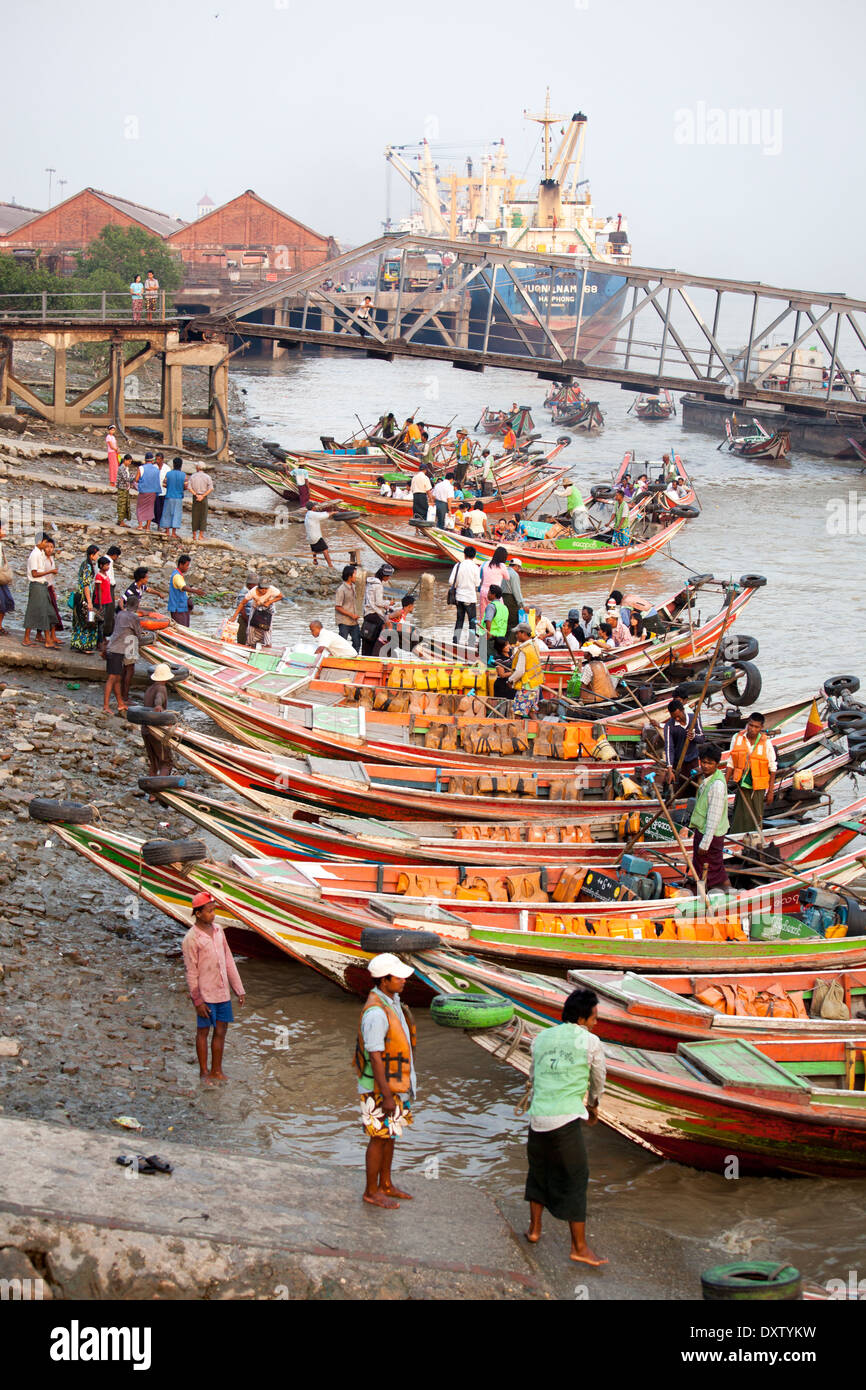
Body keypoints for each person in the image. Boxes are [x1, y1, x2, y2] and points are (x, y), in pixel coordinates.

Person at [524, 987, 607, 1267]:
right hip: (565, 1120)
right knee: (575, 1177)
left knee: (539, 1173)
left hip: (537, 1118)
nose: (596, 1022)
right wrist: (593, 1106)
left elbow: (534, 1076)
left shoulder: (541, 1037)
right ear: (584, 1018)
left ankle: (534, 1230)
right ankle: (579, 1247)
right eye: (595, 1016)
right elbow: (598, 1081)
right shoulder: (591, 1042)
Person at [354, 952, 417, 1208]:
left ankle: (386, 1184)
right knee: (378, 1137)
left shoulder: (391, 1000)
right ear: (384, 980)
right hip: (379, 1088)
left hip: (395, 1084)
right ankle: (371, 1191)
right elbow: (375, 1057)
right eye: (398, 977)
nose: (403, 981)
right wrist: (387, 1095)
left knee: (390, 1134)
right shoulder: (376, 1014)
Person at [182, 891, 245, 1085]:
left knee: (221, 1031)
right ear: (198, 914)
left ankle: (217, 1070)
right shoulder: (191, 939)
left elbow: (228, 961)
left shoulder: (219, 931)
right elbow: (191, 972)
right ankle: (203, 1072)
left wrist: (238, 989)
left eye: (214, 910)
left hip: (222, 992)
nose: (213, 914)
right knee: (203, 1031)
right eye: (209, 911)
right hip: (205, 994)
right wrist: (197, 1000)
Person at [688, 743, 732, 892]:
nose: (706, 766)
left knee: (713, 869)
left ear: (717, 765)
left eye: (710, 763)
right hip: (703, 831)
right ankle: (703, 890)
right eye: (704, 762)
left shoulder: (717, 785)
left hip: (711, 835)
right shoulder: (707, 779)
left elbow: (714, 817)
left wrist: (705, 843)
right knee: (708, 868)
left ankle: (724, 893)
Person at [728, 712, 776, 833]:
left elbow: (772, 768)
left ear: (761, 728)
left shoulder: (766, 742)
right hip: (741, 784)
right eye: (750, 725)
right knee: (739, 815)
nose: (752, 729)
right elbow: (731, 762)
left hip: (758, 787)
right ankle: (737, 835)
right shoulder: (737, 738)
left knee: (756, 815)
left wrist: (770, 792)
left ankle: (754, 839)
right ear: (747, 724)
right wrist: (724, 782)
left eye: (756, 727)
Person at [104, 593, 141, 715]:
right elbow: (138, 634)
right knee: (112, 678)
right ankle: (106, 706)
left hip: (113, 647)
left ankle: (120, 703)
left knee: (118, 678)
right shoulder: (134, 617)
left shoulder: (120, 614)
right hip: (117, 650)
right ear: (137, 606)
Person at [499, 622, 544, 716]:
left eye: (517, 633)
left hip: (526, 687)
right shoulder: (534, 645)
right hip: (535, 685)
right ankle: (539, 728)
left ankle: (518, 730)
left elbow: (520, 671)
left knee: (517, 713)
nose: (516, 635)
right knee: (531, 713)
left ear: (523, 633)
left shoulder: (524, 650)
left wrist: (510, 680)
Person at [22, 535, 58, 648]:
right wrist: (50, 571)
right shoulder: (35, 554)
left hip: (42, 585)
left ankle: (47, 638)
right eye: (45, 542)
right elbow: (34, 573)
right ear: (39, 542)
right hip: (37, 585)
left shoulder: (40, 553)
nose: (46, 545)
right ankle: (27, 639)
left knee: (48, 611)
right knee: (35, 612)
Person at [663, 698, 704, 794]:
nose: (677, 719)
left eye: (678, 716)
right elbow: (669, 748)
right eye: (674, 717)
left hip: (693, 762)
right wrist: (669, 769)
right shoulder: (669, 726)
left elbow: (702, 738)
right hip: (678, 765)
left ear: (683, 711)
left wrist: (694, 737)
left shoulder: (694, 719)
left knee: (695, 790)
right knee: (679, 791)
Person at [229, 577, 282, 648]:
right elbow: (242, 604)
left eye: (266, 589)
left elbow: (280, 596)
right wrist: (234, 617)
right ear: (258, 587)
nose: (264, 590)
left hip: (268, 609)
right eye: (262, 589)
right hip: (256, 608)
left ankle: (267, 645)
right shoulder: (252, 592)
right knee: (251, 627)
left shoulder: (272, 589)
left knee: (266, 629)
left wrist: (269, 602)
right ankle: (250, 644)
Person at [69, 543, 101, 653]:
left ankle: (77, 643)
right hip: (84, 597)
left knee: (79, 620)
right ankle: (84, 645)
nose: (97, 556)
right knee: (87, 621)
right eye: (97, 554)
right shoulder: (87, 566)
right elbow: (86, 585)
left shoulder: (85, 564)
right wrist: (89, 602)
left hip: (80, 595)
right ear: (92, 555)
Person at [449, 544, 481, 645]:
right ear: (474, 556)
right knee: (472, 622)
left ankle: (455, 641)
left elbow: (451, 581)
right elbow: (477, 583)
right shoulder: (475, 567)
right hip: (470, 598)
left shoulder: (458, 565)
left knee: (459, 620)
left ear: (464, 555)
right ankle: (471, 642)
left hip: (459, 597)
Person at [361, 564, 394, 655]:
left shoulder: (370, 582)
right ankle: (375, 657)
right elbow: (379, 602)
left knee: (366, 639)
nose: (389, 578)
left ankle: (365, 657)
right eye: (388, 576)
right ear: (384, 576)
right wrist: (388, 603)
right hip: (375, 615)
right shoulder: (378, 585)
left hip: (367, 614)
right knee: (376, 641)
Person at [167, 554, 202, 628]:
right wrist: (196, 591)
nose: (188, 567)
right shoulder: (177, 576)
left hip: (181, 607)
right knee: (181, 628)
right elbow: (184, 587)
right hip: (178, 608)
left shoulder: (178, 574)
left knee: (184, 627)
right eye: (187, 565)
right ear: (181, 564)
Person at [334, 562, 361, 651]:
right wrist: (351, 615)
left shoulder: (354, 587)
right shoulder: (341, 589)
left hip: (354, 621)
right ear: (350, 576)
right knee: (342, 643)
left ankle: (354, 659)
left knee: (357, 642)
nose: (356, 576)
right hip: (344, 621)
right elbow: (338, 606)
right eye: (355, 574)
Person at [187, 461, 214, 541]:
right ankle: (201, 536)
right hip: (203, 497)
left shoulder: (193, 476)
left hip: (195, 497)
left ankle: (194, 536)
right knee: (203, 516)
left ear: (197, 468)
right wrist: (202, 496)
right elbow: (211, 488)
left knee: (195, 515)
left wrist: (196, 495)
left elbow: (189, 488)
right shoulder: (207, 477)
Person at [304, 503, 336, 568]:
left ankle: (315, 561)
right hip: (315, 536)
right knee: (325, 550)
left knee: (314, 548)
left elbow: (320, 514)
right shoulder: (312, 514)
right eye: (314, 506)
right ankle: (330, 565)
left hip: (310, 537)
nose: (315, 507)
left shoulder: (308, 514)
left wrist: (327, 512)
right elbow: (323, 516)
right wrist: (333, 512)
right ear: (313, 507)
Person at [160, 457, 186, 538]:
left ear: (173, 465)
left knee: (167, 513)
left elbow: (164, 484)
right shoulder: (183, 475)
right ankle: (174, 533)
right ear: (181, 465)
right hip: (178, 497)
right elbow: (186, 486)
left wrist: (169, 486)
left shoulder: (169, 474)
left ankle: (167, 531)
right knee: (176, 514)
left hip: (169, 496)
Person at [479, 545, 509, 613]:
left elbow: (479, 574)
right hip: (495, 593)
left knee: (483, 614)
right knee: (498, 613)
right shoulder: (502, 566)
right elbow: (507, 577)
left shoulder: (485, 563)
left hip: (483, 592)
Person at [135, 453, 161, 531]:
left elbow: (136, 479)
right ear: (152, 460)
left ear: (145, 460)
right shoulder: (156, 469)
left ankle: (140, 525)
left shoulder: (141, 468)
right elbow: (157, 481)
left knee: (140, 507)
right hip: (152, 491)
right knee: (150, 508)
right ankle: (148, 527)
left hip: (143, 491)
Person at [92, 556, 113, 653]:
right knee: (100, 623)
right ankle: (99, 642)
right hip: (101, 602)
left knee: (102, 622)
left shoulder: (105, 575)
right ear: (101, 565)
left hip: (106, 601)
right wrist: (100, 604)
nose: (108, 567)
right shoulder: (99, 576)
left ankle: (100, 640)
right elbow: (99, 590)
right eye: (106, 565)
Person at [499, 556, 524, 635]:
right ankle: (511, 643)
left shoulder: (503, 572)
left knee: (504, 621)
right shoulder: (514, 574)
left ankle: (503, 641)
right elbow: (516, 591)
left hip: (501, 598)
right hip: (510, 600)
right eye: (518, 568)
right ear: (516, 566)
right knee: (513, 622)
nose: (518, 570)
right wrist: (521, 604)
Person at [116, 452, 136, 527]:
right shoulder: (121, 468)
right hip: (122, 488)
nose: (130, 463)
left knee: (124, 505)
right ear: (125, 460)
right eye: (129, 461)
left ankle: (120, 520)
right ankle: (121, 521)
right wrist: (134, 478)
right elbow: (126, 478)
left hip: (125, 488)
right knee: (122, 505)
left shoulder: (126, 468)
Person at [0, 521, 13, 636]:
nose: (4, 532)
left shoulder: (0, 545)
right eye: (3, 529)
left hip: (1, 579)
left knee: (6, 602)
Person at [153, 451, 169, 529]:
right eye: (156, 459)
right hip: (155, 491)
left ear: (162, 459)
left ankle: (160, 525)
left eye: (159, 459)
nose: (157, 461)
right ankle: (156, 523)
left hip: (164, 491)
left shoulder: (167, 468)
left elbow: (168, 479)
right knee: (156, 509)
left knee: (162, 509)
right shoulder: (154, 467)